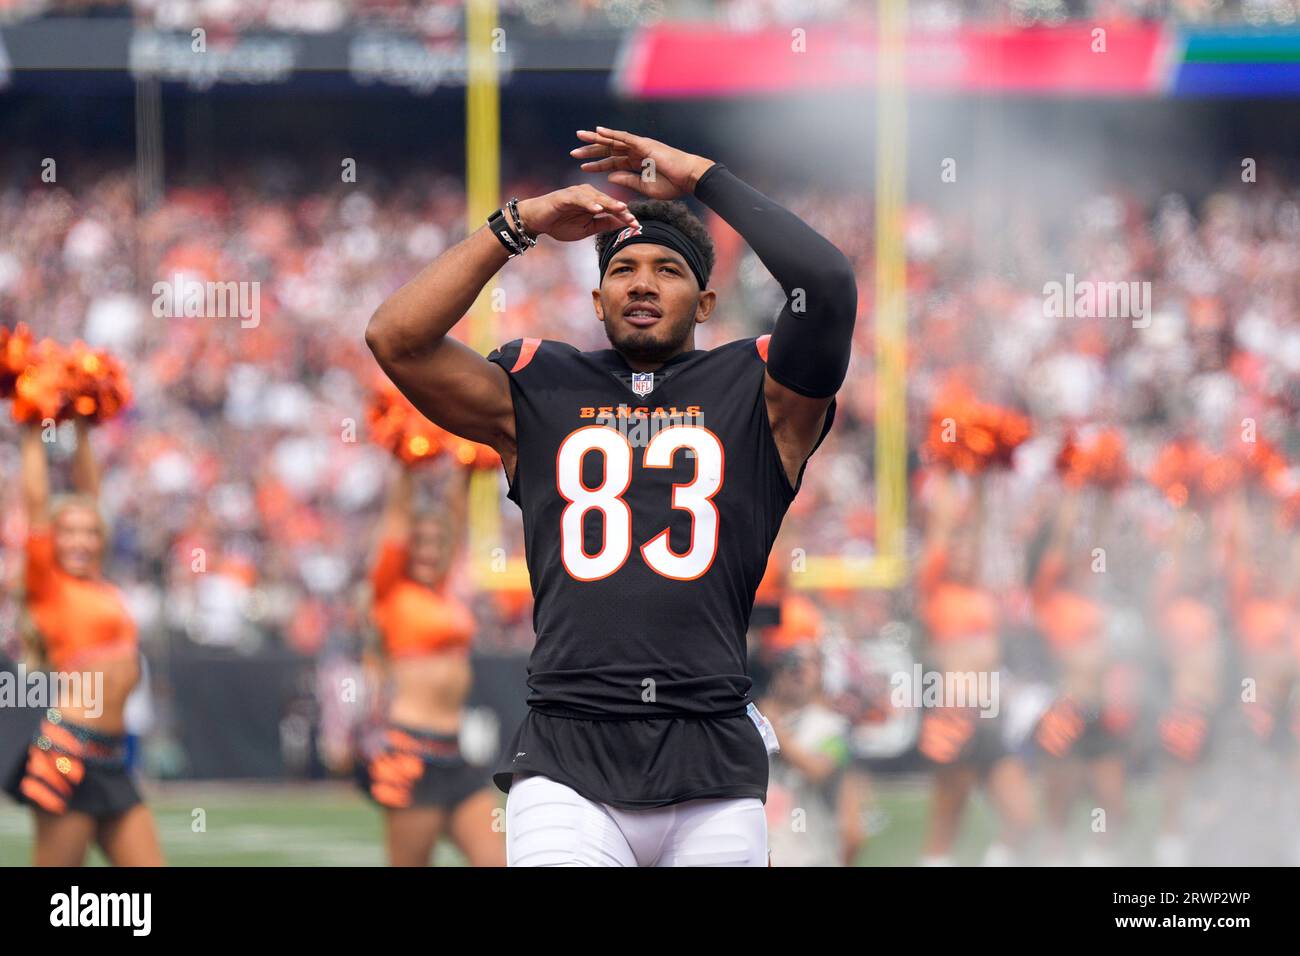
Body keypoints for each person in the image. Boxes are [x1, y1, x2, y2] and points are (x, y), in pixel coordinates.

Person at [366, 125, 856, 866]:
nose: (643, 283)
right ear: (598, 300)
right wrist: (520, 223)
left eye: (668, 270)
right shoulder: (540, 383)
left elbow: (826, 285)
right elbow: (394, 338)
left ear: (706, 298)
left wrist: (700, 176)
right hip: (569, 759)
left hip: (712, 763)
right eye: (625, 269)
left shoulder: (757, 393)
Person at [3, 419, 164, 866]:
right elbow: (36, 503)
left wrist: (85, 425)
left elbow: (91, 496)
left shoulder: (101, 587)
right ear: (51, 541)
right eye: (67, 532)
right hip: (67, 751)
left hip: (112, 755)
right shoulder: (47, 586)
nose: (80, 540)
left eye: (89, 532)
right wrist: (34, 427)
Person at [358, 460, 505, 866]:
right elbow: (398, 515)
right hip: (411, 752)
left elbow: (455, 517)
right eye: (418, 542)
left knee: (500, 860)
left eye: (435, 543)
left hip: (455, 754)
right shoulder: (391, 589)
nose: (427, 551)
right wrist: (405, 462)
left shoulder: (444, 591)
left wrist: (469, 459)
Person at [916, 472, 1035, 867]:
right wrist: (948, 467)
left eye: (970, 550)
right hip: (953, 718)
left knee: (1022, 816)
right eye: (958, 550)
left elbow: (980, 528)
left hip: (988, 721)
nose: (965, 555)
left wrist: (983, 471)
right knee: (948, 821)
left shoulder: (983, 593)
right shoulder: (936, 592)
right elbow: (940, 530)